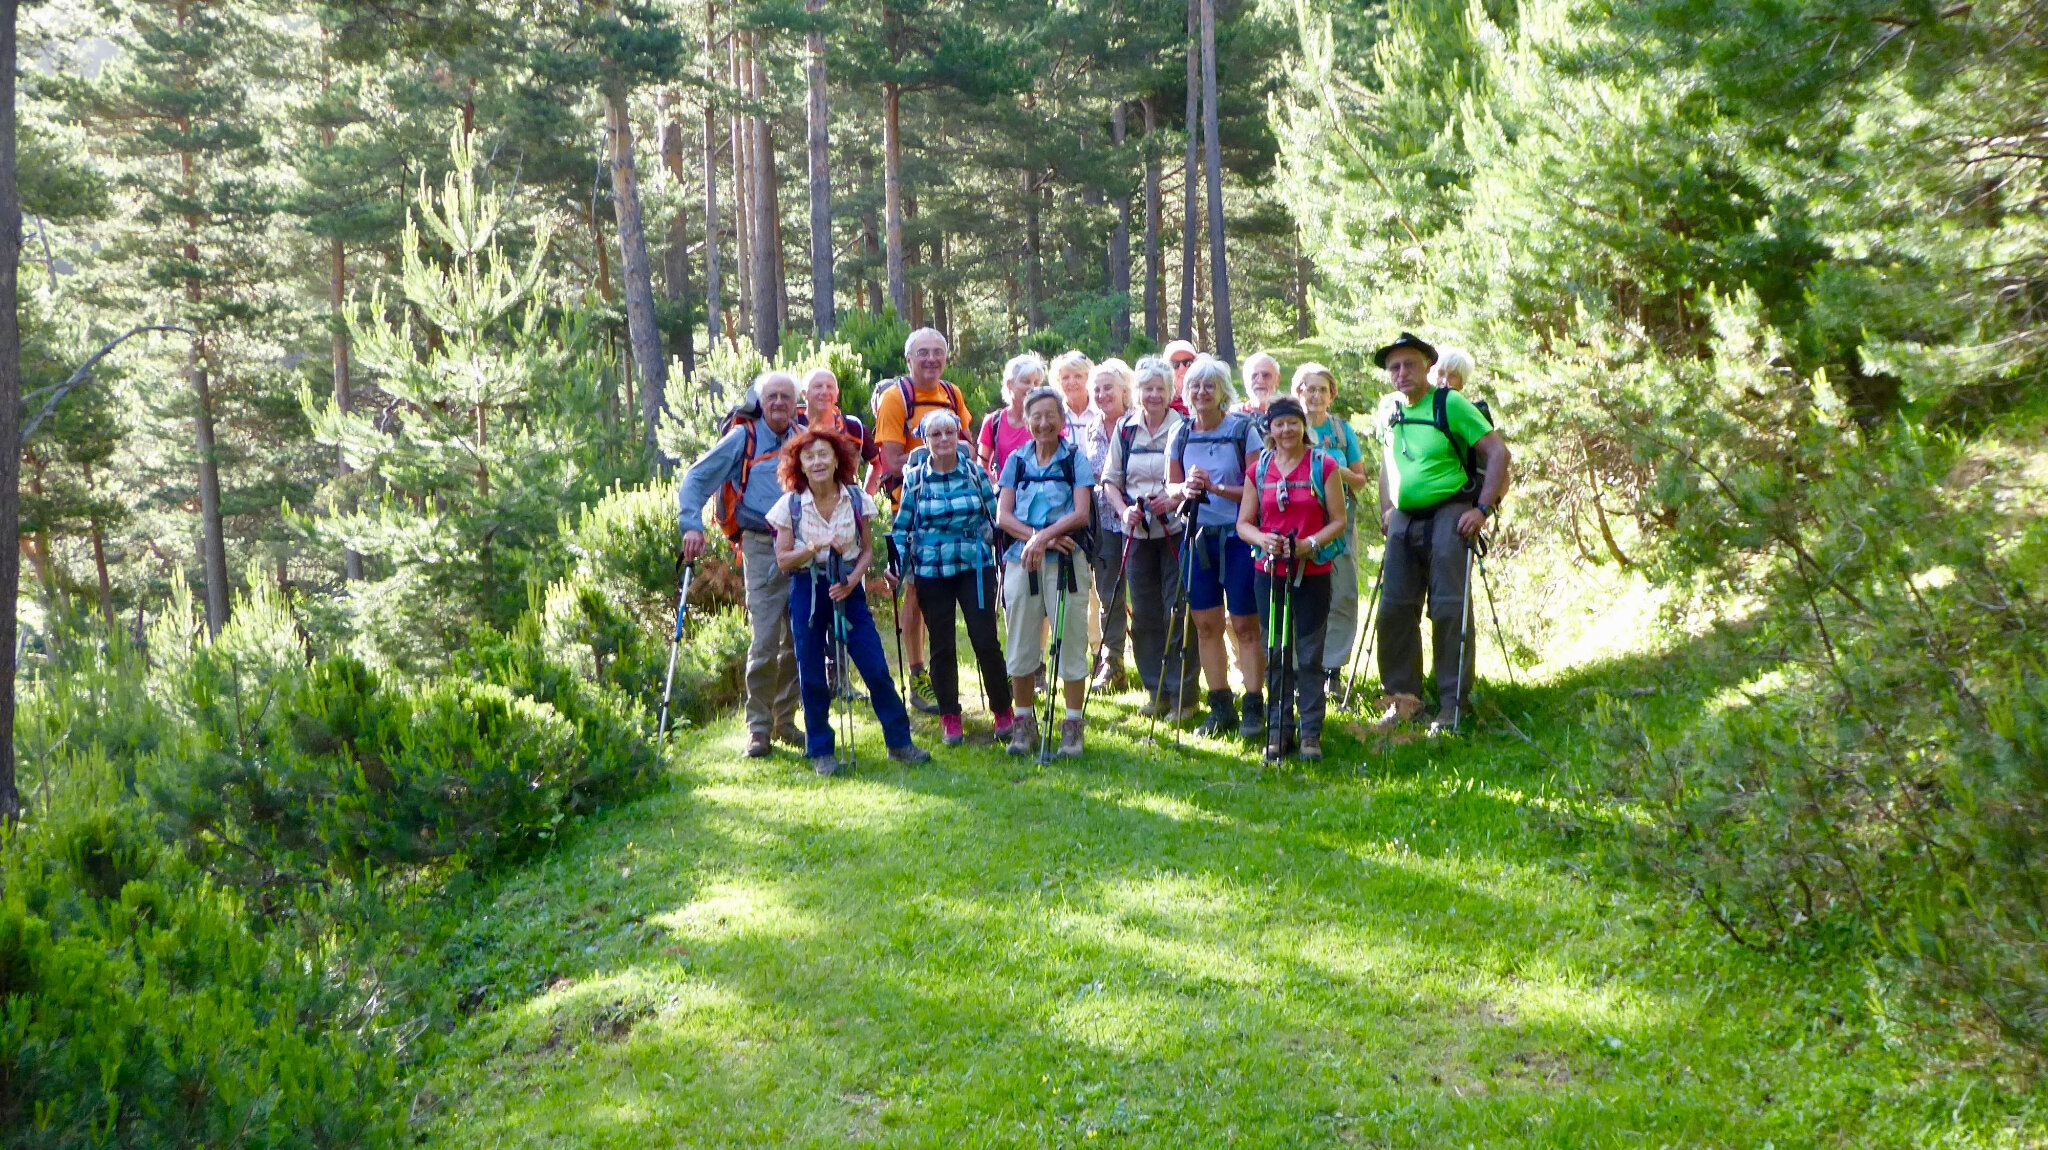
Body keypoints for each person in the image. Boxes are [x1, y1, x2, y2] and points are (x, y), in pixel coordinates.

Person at [1369, 332, 1511, 735]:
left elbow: (1498, 453)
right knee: (1394, 609)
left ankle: (1453, 704)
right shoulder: (1391, 410)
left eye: (1409, 364)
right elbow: (1387, 462)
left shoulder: (1450, 404)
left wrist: (1482, 509)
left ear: (1428, 366)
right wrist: (1386, 509)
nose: (1401, 373)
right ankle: (1402, 700)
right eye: (1393, 367)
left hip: (1451, 514)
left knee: (1449, 609)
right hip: (1405, 519)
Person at [771, 428, 931, 775]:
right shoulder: (790, 505)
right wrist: (813, 548)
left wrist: (853, 580)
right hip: (808, 591)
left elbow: (868, 551)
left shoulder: (857, 499)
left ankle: (900, 743)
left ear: (837, 459)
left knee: (874, 666)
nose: (817, 461)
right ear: (799, 462)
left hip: (848, 588)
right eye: (809, 456)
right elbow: (784, 560)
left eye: (823, 454)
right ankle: (821, 751)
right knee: (811, 673)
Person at [676, 371, 805, 758]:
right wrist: (691, 526)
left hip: (802, 548)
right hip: (761, 546)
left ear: (794, 402)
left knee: (799, 639)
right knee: (765, 640)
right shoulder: (742, 439)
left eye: (786, 396)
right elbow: (696, 478)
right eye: (772, 397)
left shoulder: (803, 438)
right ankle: (759, 729)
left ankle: (786, 720)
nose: (779, 403)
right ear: (761, 402)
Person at [893, 410, 1016, 747]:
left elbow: (996, 518)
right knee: (942, 645)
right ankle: (950, 715)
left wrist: (1005, 554)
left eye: (950, 432)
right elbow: (902, 528)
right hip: (932, 572)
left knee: (985, 640)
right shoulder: (916, 479)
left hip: (974, 568)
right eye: (936, 435)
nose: (944, 439)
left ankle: (1003, 709)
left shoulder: (975, 473)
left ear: (959, 436)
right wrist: (897, 568)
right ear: (925, 440)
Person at [874, 327, 977, 715]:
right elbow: (891, 461)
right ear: (909, 359)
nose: (931, 359)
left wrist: (952, 447)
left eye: (938, 352)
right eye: (923, 353)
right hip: (913, 509)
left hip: (954, 509)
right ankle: (919, 677)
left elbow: (967, 443)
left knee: (946, 591)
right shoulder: (895, 399)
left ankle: (941, 672)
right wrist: (940, 452)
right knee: (916, 591)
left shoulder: (952, 394)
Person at [1238, 397, 1347, 761]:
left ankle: (1311, 734)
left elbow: (1338, 521)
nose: (1286, 430)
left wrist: (1309, 544)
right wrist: (1263, 540)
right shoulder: (1258, 470)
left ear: (1303, 426)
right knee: (1276, 653)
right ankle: (1278, 730)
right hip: (1268, 574)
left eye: (1292, 423)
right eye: (1278, 424)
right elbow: (1243, 524)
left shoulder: (1324, 465)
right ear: (1269, 429)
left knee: (1310, 653)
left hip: (1312, 572)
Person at [1168, 355, 1267, 737]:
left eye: (1209, 385)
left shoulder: (1243, 431)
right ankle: (1220, 706)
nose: (1201, 392)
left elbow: (1257, 487)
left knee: (1244, 623)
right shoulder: (1181, 433)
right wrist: (1186, 489)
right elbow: (1170, 486)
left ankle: (1254, 705)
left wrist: (1215, 489)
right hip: (1197, 539)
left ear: (1223, 391)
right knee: (1205, 625)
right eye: (1194, 385)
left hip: (1239, 539)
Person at [997, 387, 1095, 758]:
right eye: (1035, 416)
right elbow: (1003, 516)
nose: (1043, 423)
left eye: (1050, 415)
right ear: (1026, 419)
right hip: (1023, 560)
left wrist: (1044, 538)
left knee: (1070, 640)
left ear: (1061, 419)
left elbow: (1081, 513)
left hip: (1068, 562)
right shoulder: (1016, 461)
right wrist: (1040, 540)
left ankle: (1072, 726)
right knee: (1021, 641)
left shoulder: (1075, 460)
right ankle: (1023, 724)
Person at [1099, 357, 1197, 710]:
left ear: (1171, 392)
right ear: (1137, 392)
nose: (1154, 395)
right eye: (1148, 388)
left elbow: (1191, 479)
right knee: (1143, 616)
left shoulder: (1184, 427)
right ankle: (1157, 692)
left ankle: (1184, 696)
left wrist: (1172, 500)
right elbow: (1110, 481)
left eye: (1161, 388)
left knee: (1177, 611)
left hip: (1175, 531)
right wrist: (1124, 509)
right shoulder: (1125, 430)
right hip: (1137, 535)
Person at [1292, 362, 1370, 695]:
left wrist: (1330, 469)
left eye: (1322, 389)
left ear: (1331, 394)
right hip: (1299, 523)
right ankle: (1299, 668)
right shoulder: (1289, 427)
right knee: (1299, 592)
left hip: (1339, 523)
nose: (1316, 394)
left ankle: (1331, 668)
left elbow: (1360, 479)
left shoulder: (1342, 431)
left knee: (1343, 591)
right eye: (1309, 388)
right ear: (1298, 392)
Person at [1078, 358, 1133, 690]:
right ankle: (1112, 663)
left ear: (1124, 390)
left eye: (1107, 388)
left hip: (1140, 518)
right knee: (1109, 592)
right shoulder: (1091, 427)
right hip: (1104, 521)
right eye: (1095, 389)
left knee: (1143, 594)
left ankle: (1153, 661)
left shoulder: (1137, 422)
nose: (1101, 395)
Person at [797, 367, 881, 490]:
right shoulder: (791, 424)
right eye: (818, 386)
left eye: (830, 387)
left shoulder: (853, 427)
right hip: (801, 504)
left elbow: (878, 463)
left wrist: (866, 497)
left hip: (844, 505)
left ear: (836, 394)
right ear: (804, 393)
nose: (825, 391)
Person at [978, 353, 1046, 480]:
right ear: (1010, 385)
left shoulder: (1047, 421)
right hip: (1004, 495)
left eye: (1036, 383)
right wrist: (996, 488)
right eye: (1026, 381)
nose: (1032, 388)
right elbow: (981, 467)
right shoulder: (993, 422)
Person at [1051, 350, 1100, 445]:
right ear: (1058, 381)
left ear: (1089, 378)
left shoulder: (1101, 413)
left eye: (1078, 376)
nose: (1072, 382)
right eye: (1065, 378)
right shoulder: (1054, 414)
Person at [1238, 352, 1281, 417]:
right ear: (1245, 381)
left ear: (1277, 380)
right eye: (1254, 376)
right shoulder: (1233, 417)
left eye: (1266, 375)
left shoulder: (1291, 414)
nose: (1260, 381)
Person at [1162, 339, 1198, 412]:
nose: (1182, 368)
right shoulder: (1159, 403)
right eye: (1175, 364)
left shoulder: (1208, 400)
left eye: (1188, 363)